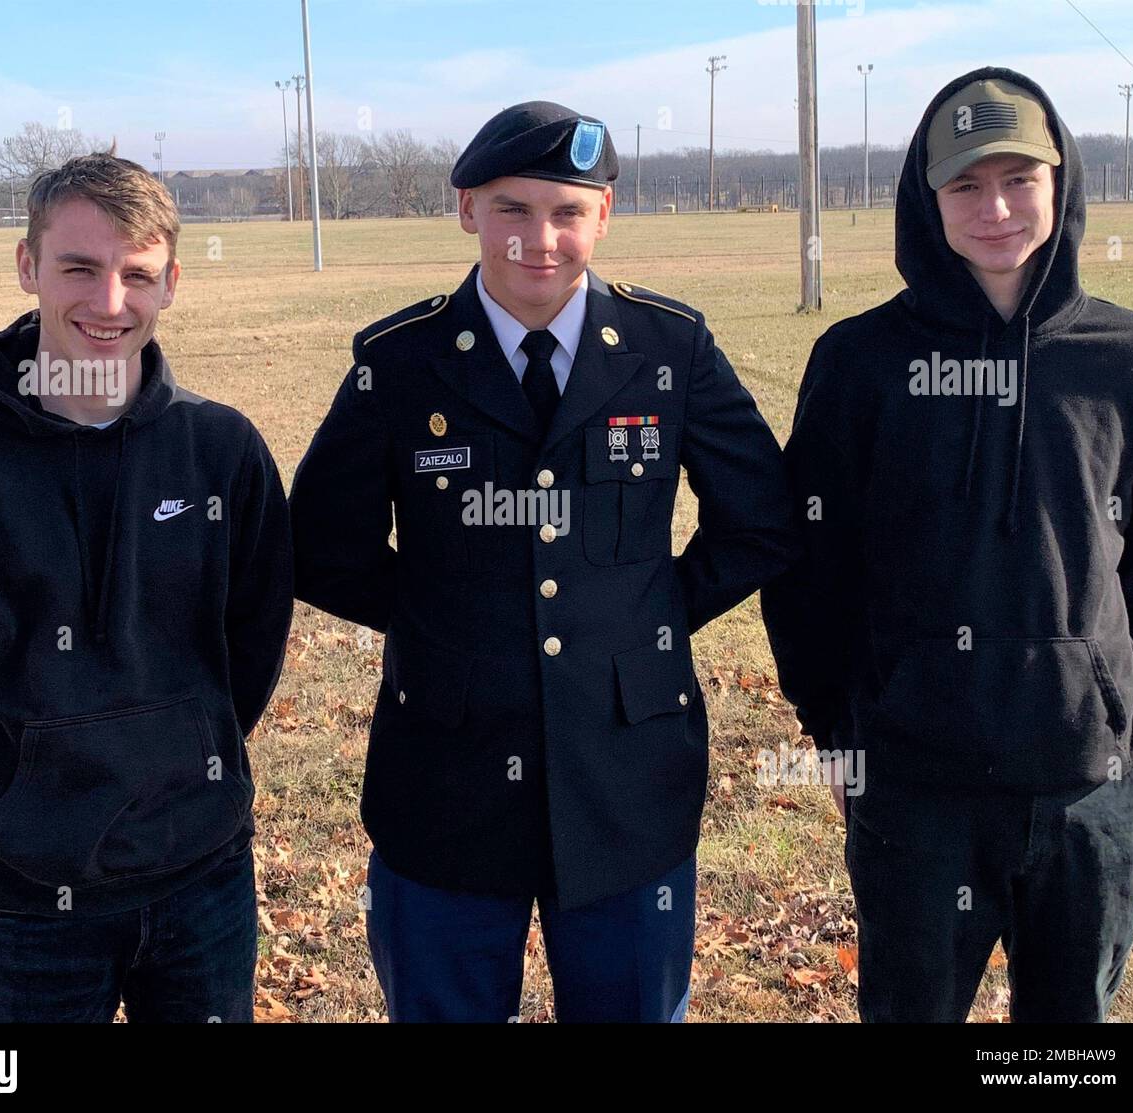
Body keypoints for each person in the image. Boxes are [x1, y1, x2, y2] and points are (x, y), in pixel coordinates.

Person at [289, 101, 797, 1022]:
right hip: (446, 775)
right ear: (466, 209)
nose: (540, 238)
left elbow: (761, 518)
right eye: (512, 209)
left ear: (604, 214)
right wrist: (438, 613)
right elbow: (321, 546)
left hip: (625, 778)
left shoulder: (668, 350)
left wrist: (650, 611)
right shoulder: (399, 363)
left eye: (567, 211)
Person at [762, 67, 1133, 1022]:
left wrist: (1113, 688)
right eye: (966, 185)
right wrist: (837, 726)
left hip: (1088, 786)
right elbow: (809, 561)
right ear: (925, 195)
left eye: (1019, 179)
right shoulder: (861, 362)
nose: (995, 208)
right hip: (914, 784)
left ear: (1060, 183)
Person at [0, 150, 294, 1023]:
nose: (109, 302)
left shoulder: (223, 452)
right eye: (79, 268)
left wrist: (185, 752)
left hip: (203, 875)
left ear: (171, 282)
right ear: (28, 266)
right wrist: (9, 803)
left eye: (136, 274)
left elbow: (251, 646)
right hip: (28, 899)